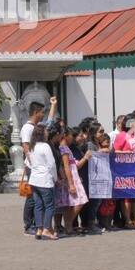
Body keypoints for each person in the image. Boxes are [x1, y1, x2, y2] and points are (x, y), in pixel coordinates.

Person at [19, 96, 57, 236]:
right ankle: (28, 225)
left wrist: (53, 105)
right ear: (35, 112)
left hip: (37, 167)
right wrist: (34, 164)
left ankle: (38, 225)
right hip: (33, 167)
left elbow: (50, 122)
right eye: (41, 112)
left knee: (38, 199)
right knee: (32, 198)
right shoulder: (27, 128)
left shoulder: (38, 127)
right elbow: (26, 147)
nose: (43, 115)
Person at [114, 116, 135, 228]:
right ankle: (128, 220)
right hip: (125, 169)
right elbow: (115, 151)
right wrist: (126, 153)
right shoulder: (122, 135)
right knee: (127, 196)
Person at [56, 128, 89, 235]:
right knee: (79, 201)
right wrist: (71, 183)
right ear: (65, 135)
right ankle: (68, 224)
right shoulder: (63, 148)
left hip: (73, 176)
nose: (72, 138)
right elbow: (66, 166)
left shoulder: (65, 148)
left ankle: (68, 225)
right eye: (70, 135)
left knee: (70, 203)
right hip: (70, 178)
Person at [29, 123, 59, 240]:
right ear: (42, 133)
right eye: (46, 131)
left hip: (34, 179)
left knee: (38, 205)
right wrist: (55, 178)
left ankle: (39, 229)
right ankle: (46, 229)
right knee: (50, 206)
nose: (47, 133)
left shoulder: (33, 146)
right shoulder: (45, 146)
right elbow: (51, 164)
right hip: (45, 179)